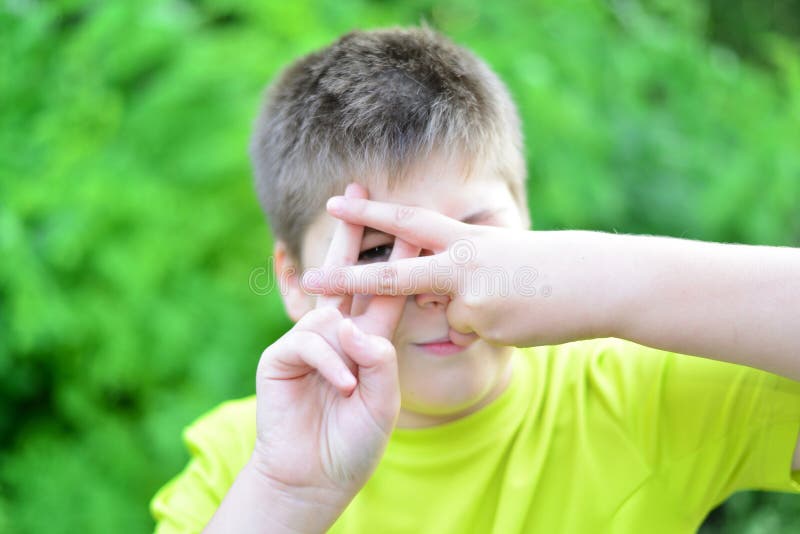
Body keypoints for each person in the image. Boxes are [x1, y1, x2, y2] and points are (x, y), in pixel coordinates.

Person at [150, 26, 800, 533]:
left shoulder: (629, 391)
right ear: (295, 281)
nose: (438, 283)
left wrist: (606, 282)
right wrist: (288, 498)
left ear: (528, 224)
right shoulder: (248, 464)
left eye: (475, 236)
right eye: (377, 251)